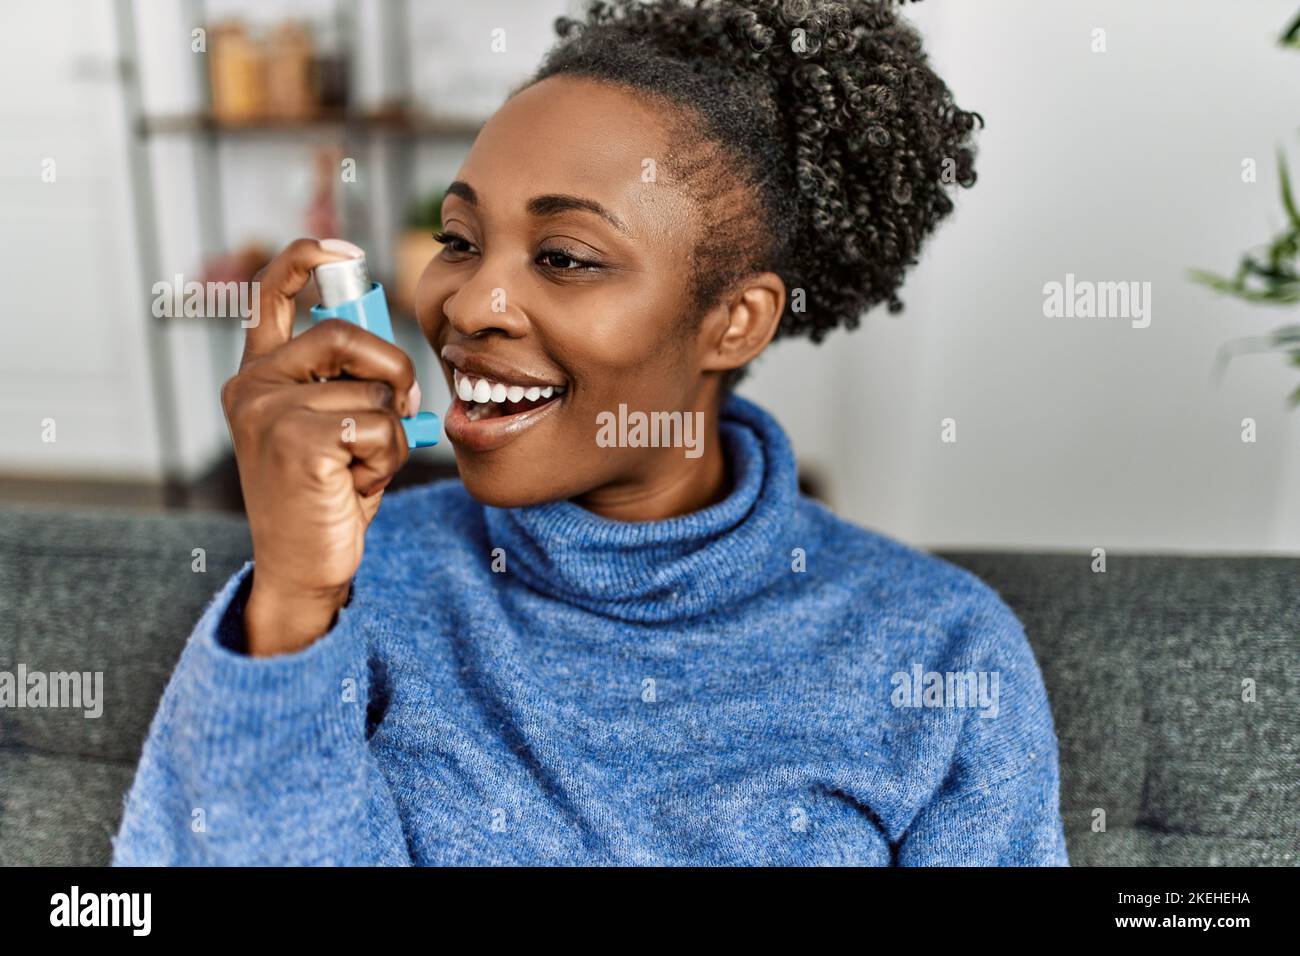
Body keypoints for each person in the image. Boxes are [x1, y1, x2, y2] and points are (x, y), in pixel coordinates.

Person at [113, 0, 1068, 865]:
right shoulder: (342, 589)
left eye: (565, 256)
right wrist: (293, 608)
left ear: (734, 320)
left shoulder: (941, 652)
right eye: (458, 240)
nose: (470, 303)